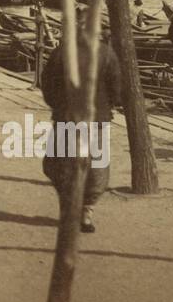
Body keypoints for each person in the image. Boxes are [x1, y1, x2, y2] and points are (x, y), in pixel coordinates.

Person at [40, 23, 122, 234]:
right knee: (97, 164)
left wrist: (58, 105)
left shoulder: (60, 53)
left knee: (57, 164)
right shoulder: (106, 53)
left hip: (65, 117)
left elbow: (47, 85)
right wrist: (106, 106)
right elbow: (116, 88)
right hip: (97, 119)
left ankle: (68, 206)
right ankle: (87, 210)